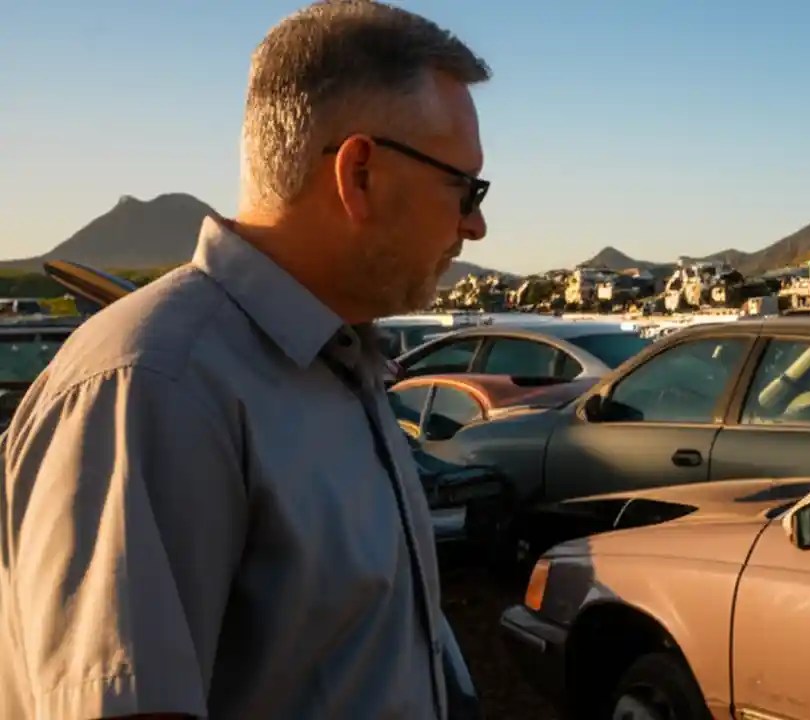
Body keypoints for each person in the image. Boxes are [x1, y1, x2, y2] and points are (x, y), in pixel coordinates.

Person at [0, 1, 490, 718]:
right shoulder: (155, 387)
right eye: (465, 189)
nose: (475, 224)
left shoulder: (338, 364)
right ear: (360, 174)